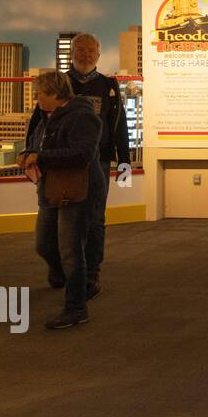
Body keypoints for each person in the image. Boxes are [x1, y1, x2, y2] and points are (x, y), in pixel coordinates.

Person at [26, 33, 130, 298]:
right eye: (80, 50)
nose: (85, 54)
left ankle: (91, 274)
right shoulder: (61, 82)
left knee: (96, 220)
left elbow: (118, 123)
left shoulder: (109, 85)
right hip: (59, 163)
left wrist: (125, 159)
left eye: (90, 50)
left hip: (99, 161)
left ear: (98, 53)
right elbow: (38, 119)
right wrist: (30, 151)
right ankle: (59, 266)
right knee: (49, 228)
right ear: (71, 53)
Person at [19, 71, 105, 330]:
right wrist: (30, 153)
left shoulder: (83, 117)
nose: (36, 99)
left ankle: (76, 307)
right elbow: (38, 145)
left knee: (70, 251)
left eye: (40, 94)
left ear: (55, 94)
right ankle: (71, 280)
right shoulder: (47, 117)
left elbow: (82, 155)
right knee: (44, 244)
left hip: (77, 191)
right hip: (52, 189)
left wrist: (41, 158)